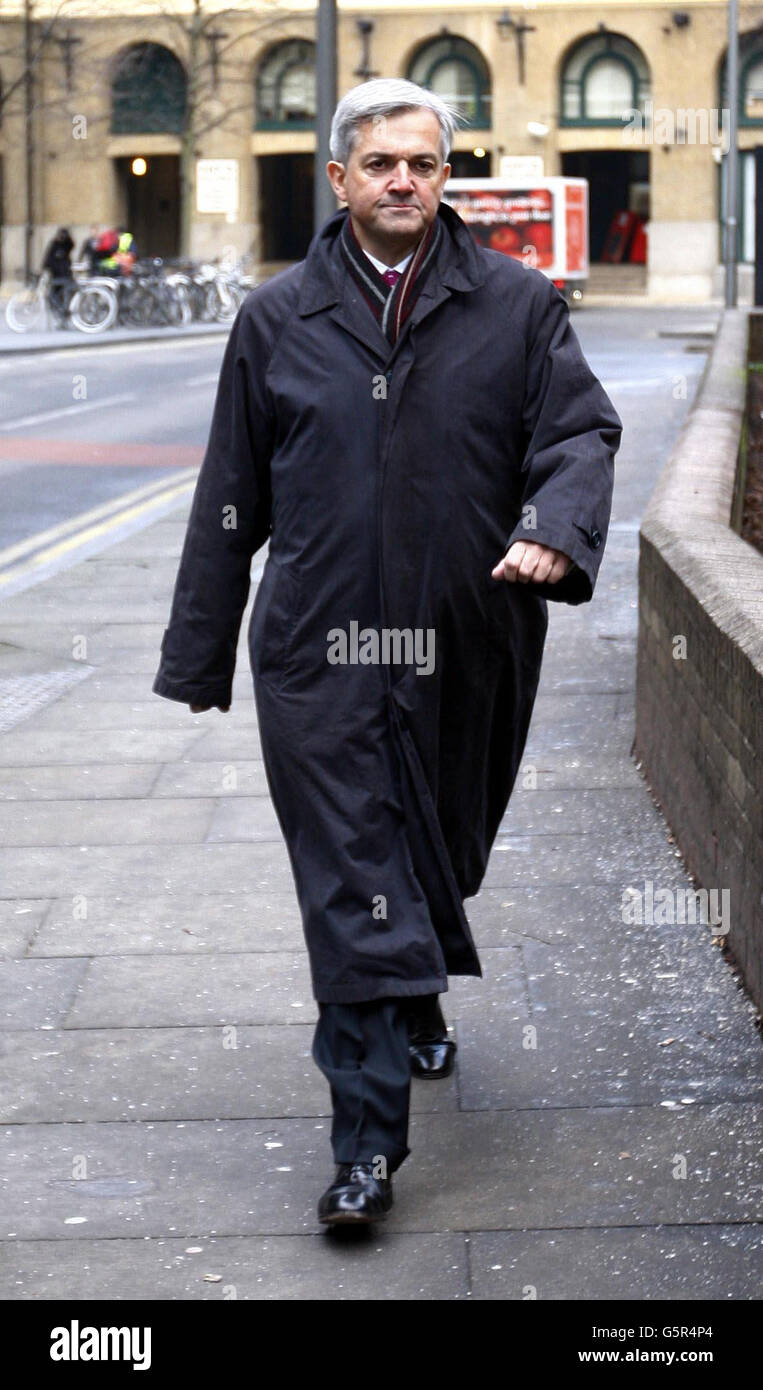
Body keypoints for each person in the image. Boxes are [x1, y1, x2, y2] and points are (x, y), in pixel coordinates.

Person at [152, 78, 623, 1228]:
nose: (402, 180)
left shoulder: (516, 306)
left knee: (437, 852)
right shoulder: (278, 319)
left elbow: (578, 432)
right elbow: (230, 496)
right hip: (318, 654)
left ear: (445, 175)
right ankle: (365, 1147)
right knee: (355, 877)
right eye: (379, 164)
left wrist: (550, 531)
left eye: (421, 162)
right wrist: (201, 650)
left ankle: (412, 992)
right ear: (340, 180)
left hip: (469, 643)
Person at [41, 226, 75, 323]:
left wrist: (68, 236)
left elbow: (71, 244)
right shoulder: (54, 244)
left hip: (65, 275)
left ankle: (63, 315)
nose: (62, 237)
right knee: (53, 296)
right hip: (56, 275)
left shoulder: (66, 245)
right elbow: (48, 258)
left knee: (65, 296)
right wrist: (44, 268)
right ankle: (60, 314)